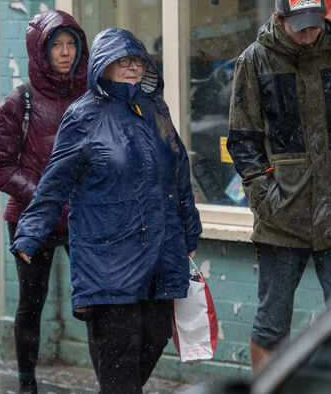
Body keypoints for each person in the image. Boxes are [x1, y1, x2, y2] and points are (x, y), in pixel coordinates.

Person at [11, 27, 202, 394]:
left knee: (155, 336)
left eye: (136, 62)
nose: (131, 69)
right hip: (108, 257)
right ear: (102, 65)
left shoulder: (156, 110)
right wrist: (31, 234)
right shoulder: (83, 116)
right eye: (122, 62)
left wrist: (190, 231)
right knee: (120, 354)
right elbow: (55, 181)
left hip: (161, 254)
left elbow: (179, 175)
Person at [226, 0, 331, 374]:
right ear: (279, 19)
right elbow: (243, 142)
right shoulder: (255, 60)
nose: (309, 35)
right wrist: (270, 201)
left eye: (315, 24)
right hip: (281, 221)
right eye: (300, 27)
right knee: (272, 326)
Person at [0, 10, 89, 394]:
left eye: (71, 44)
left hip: (85, 217)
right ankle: (26, 383)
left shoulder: (93, 95)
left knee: (97, 303)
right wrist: (44, 194)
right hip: (33, 220)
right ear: (40, 52)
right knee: (32, 302)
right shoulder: (20, 101)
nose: (65, 53)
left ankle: (110, 382)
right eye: (56, 46)